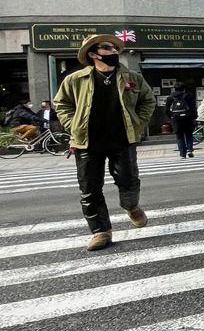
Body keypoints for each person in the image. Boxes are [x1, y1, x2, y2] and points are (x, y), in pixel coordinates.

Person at [53, 34, 156, 252]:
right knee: (90, 188)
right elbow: (61, 104)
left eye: (115, 48)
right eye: (108, 47)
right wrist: (73, 125)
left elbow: (148, 100)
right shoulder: (75, 79)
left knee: (128, 181)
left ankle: (131, 206)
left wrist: (139, 122)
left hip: (122, 139)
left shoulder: (132, 77)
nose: (114, 51)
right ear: (93, 53)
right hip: (87, 143)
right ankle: (100, 231)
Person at [165, 83, 196, 158]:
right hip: (187, 119)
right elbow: (193, 108)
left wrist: (171, 117)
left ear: (174, 89)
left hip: (176, 120)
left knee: (179, 136)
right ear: (184, 89)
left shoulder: (170, 97)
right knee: (189, 134)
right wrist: (194, 117)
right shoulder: (188, 96)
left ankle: (182, 153)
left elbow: (167, 110)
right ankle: (189, 149)